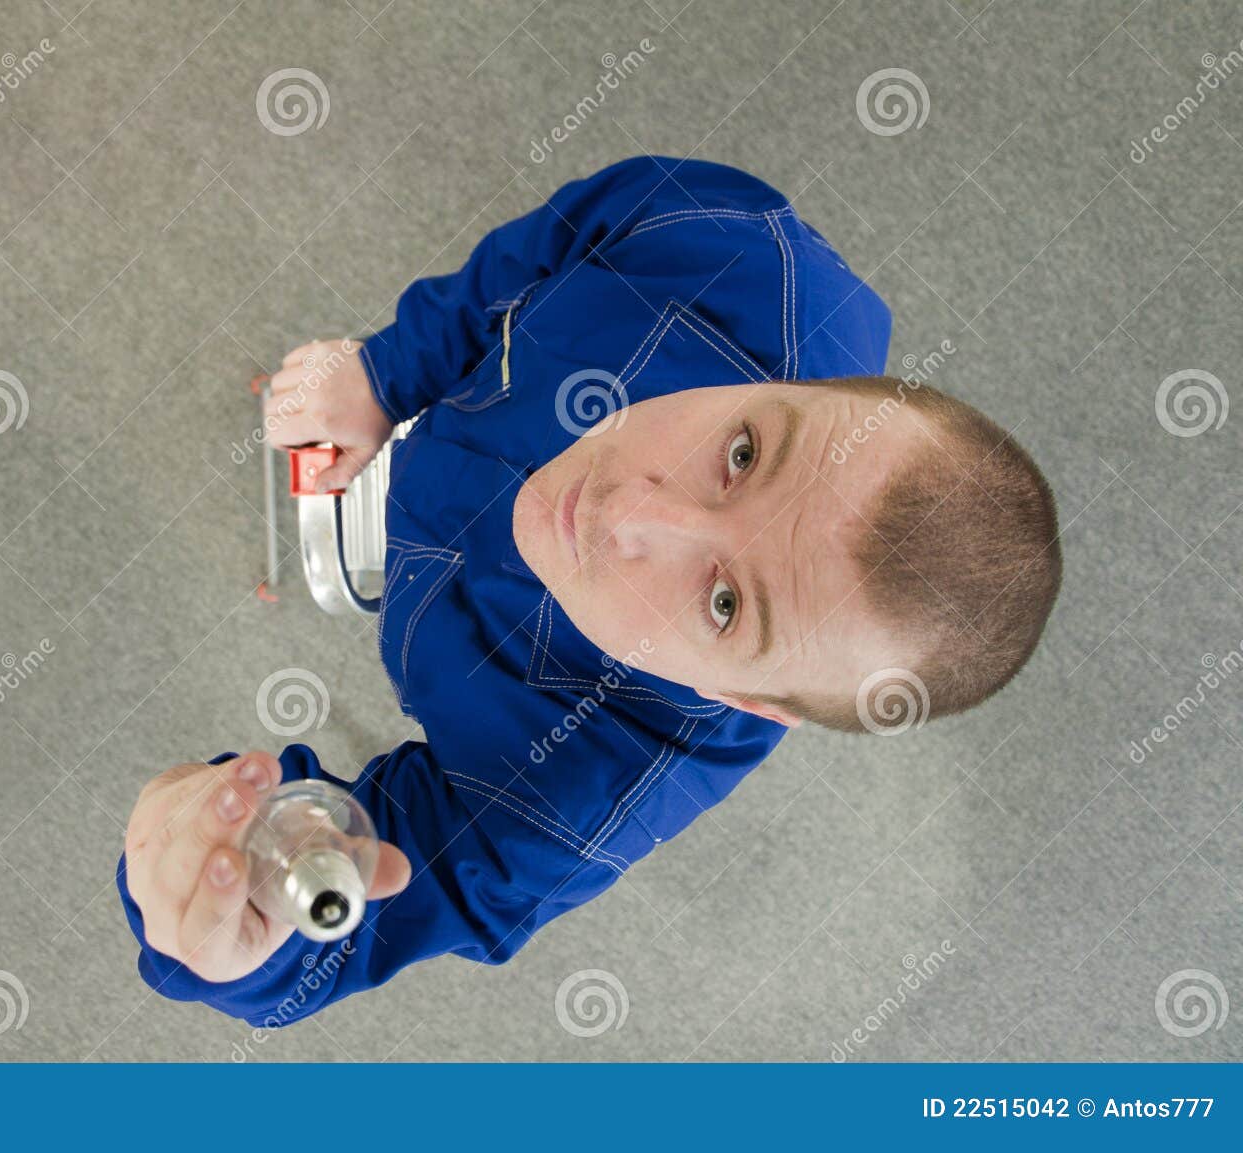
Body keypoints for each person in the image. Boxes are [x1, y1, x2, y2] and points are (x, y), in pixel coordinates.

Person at [117, 156, 1063, 1025]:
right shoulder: (746, 256)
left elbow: (379, 911)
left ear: (743, 698)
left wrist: (236, 926)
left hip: (415, 584)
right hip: (438, 433)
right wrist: (390, 370)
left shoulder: (591, 785)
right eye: (741, 454)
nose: (630, 514)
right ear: (814, 387)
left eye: (725, 604)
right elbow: (568, 234)